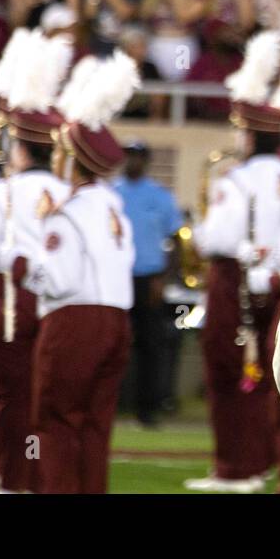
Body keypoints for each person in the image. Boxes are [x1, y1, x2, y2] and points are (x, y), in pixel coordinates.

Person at [0, 29, 73, 493]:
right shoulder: (69, 192)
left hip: (9, 300)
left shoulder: (1, 192)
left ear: (21, 149)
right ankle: (42, 473)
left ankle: (14, 476)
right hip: (59, 303)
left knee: (9, 395)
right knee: (46, 395)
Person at [189, 32, 280, 492]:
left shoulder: (235, 180)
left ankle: (237, 466)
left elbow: (218, 238)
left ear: (250, 133)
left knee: (228, 373)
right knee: (273, 378)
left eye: (240, 128)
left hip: (235, 281)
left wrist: (198, 230)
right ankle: (272, 461)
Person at [26, 51, 140, 494]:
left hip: (73, 321)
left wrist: (30, 267)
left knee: (52, 423)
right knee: (95, 427)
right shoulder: (115, 209)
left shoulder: (66, 212)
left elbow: (59, 280)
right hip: (116, 320)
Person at [114, 141, 182, 427]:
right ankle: (113, 407)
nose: (133, 161)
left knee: (150, 347)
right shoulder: (111, 194)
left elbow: (176, 241)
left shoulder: (160, 196)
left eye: (138, 156)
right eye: (128, 156)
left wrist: (163, 279)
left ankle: (147, 410)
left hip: (148, 278)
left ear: (147, 160)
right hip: (116, 279)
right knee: (113, 345)